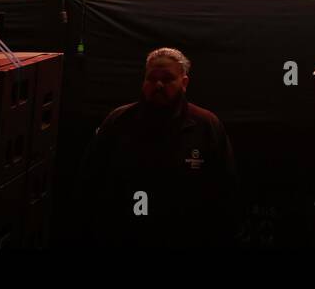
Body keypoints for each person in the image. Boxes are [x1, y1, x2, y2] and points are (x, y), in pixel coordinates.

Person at [77, 48, 237, 247]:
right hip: (125, 236)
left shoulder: (206, 125)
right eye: (152, 78)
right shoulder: (118, 121)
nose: (158, 85)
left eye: (168, 79)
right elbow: (90, 181)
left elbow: (225, 189)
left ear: (184, 83)